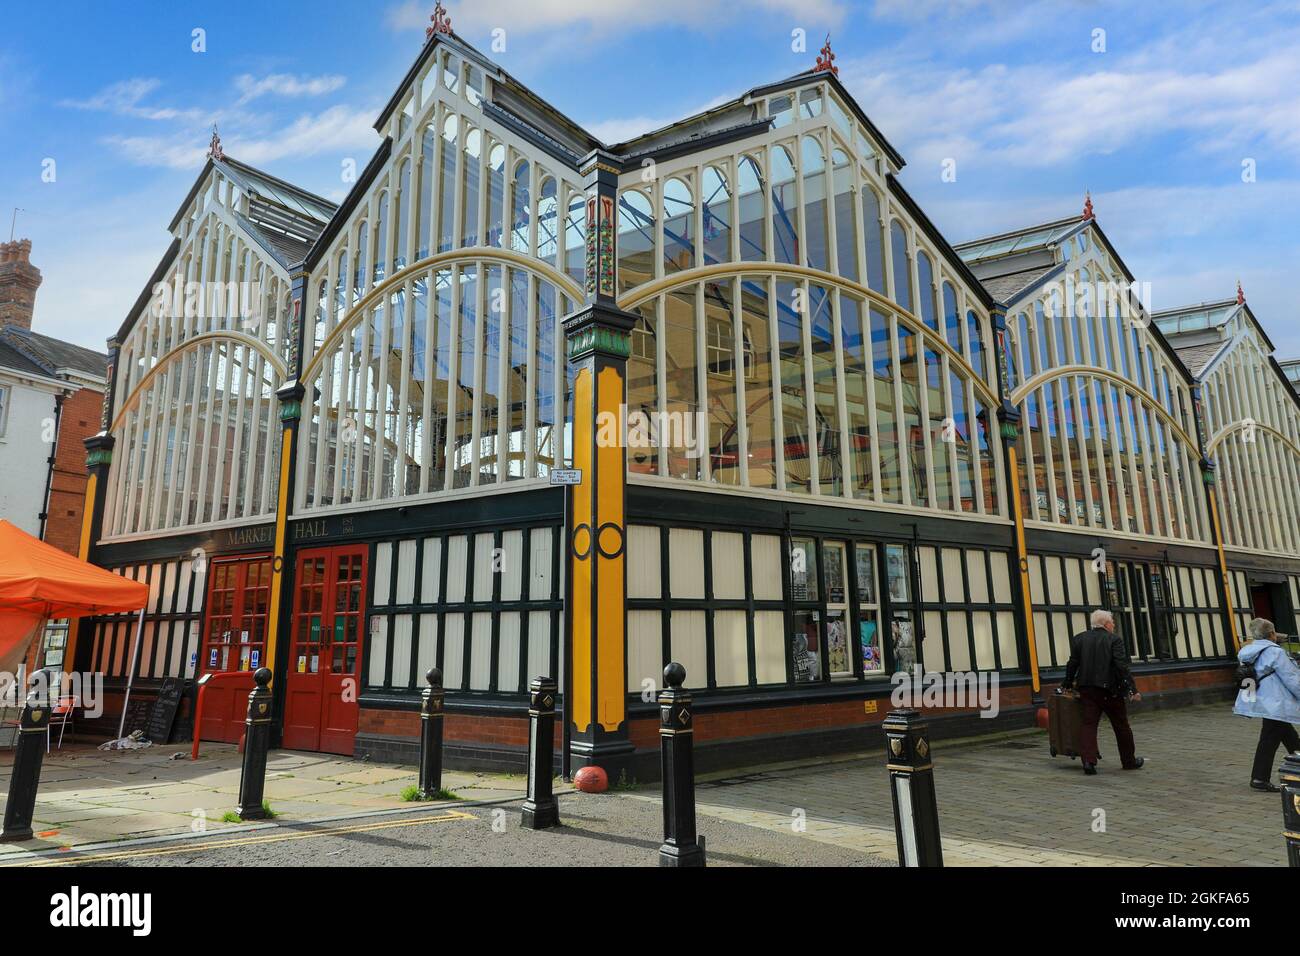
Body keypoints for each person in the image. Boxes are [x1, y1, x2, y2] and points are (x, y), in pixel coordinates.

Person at [1062, 609, 1144, 775]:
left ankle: (1088, 762)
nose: (1114, 625)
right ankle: (1128, 761)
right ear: (1106, 624)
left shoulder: (1080, 639)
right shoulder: (1114, 640)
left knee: (1089, 724)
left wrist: (1067, 683)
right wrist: (1131, 689)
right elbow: (1121, 666)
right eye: (1112, 622)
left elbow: (1072, 664)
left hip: (1087, 689)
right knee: (1121, 725)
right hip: (1110, 690)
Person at [1232, 618, 1300, 792]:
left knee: (1289, 737)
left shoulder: (1246, 652)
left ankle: (1261, 777)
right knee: (1269, 740)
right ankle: (1259, 778)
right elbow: (1291, 678)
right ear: (1271, 634)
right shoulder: (1275, 652)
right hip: (1276, 702)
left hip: (1263, 701)